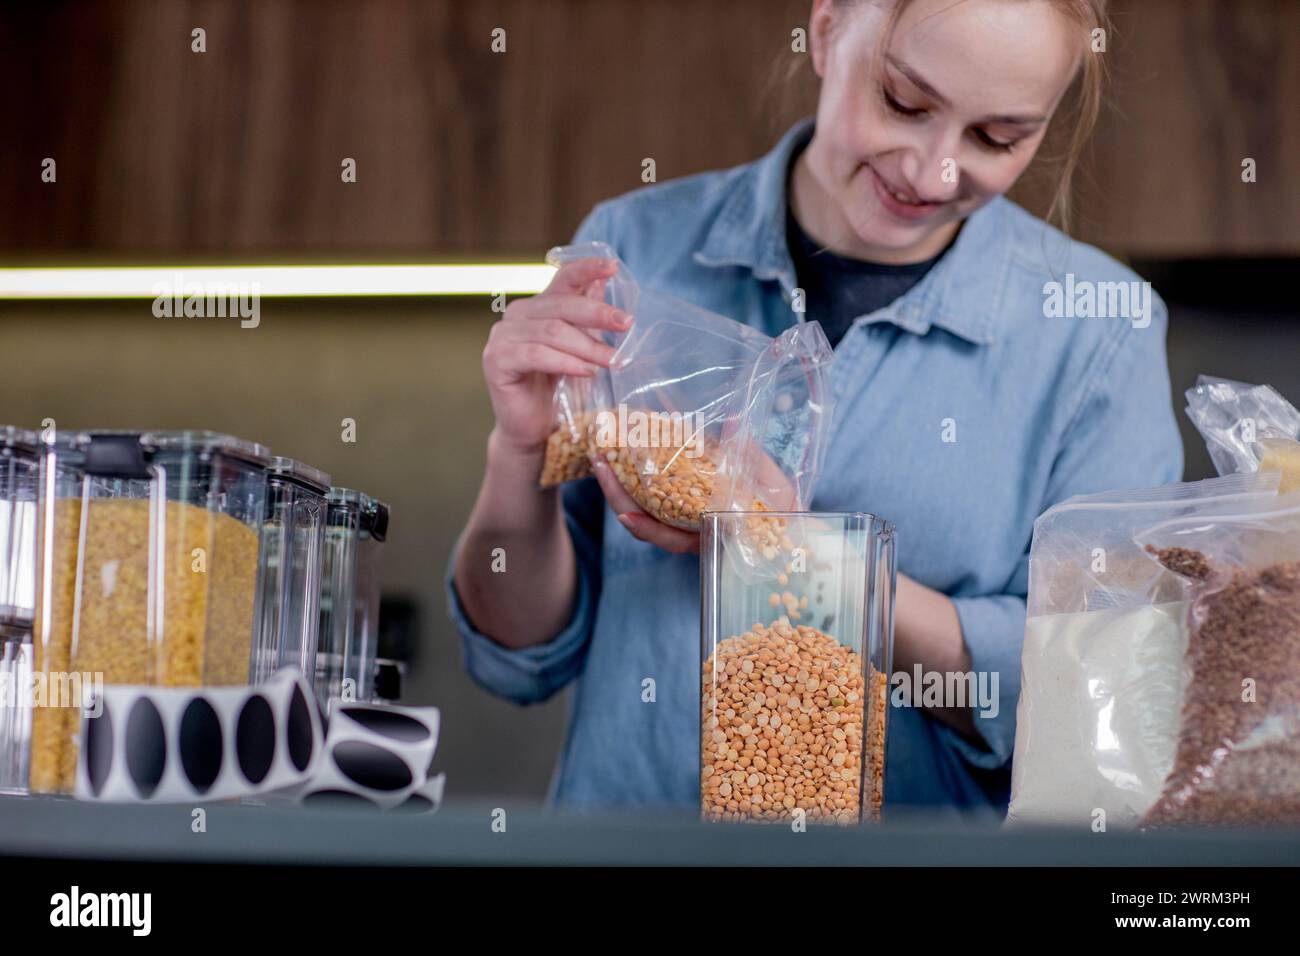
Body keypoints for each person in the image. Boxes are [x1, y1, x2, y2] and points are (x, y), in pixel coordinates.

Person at [447, 0, 1182, 817]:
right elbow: (517, 656)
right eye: (905, 102)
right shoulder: (637, 247)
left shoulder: (1096, 328)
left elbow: (1103, 693)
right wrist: (519, 454)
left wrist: (802, 559)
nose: (934, 171)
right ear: (827, 29)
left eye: (998, 138)